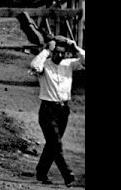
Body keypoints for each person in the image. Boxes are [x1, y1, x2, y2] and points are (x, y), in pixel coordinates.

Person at [30, 35, 85, 186]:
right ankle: (68, 175)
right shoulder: (45, 65)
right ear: (53, 52)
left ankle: (41, 172)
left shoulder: (69, 64)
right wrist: (46, 50)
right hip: (48, 110)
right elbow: (34, 66)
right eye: (57, 52)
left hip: (63, 110)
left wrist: (75, 47)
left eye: (63, 53)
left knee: (52, 143)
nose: (60, 56)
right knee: (56, 144)